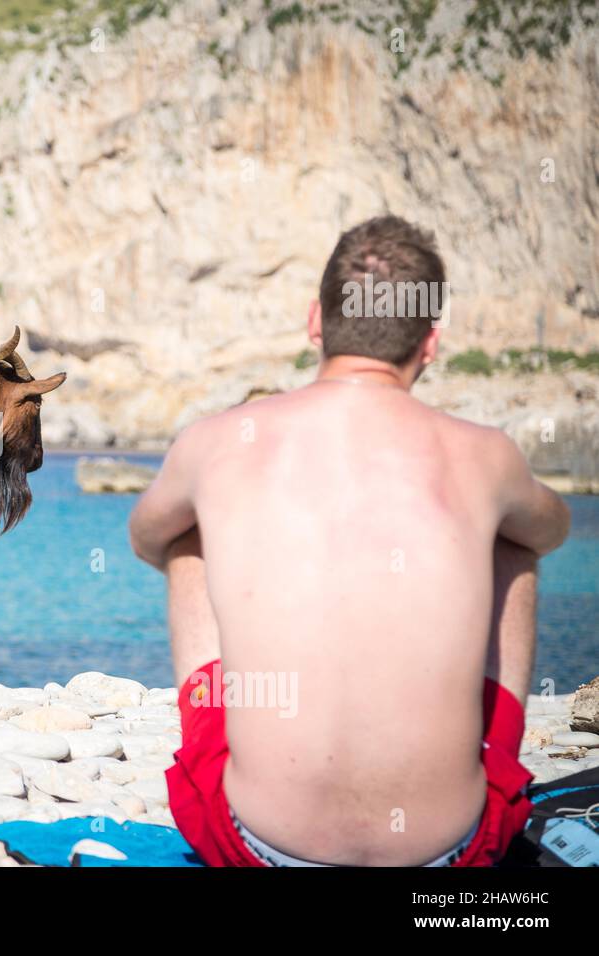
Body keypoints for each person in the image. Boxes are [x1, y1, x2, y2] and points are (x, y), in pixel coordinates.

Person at [129, 215, 570, 866]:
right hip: (454, 850)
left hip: (254, 844)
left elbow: (145, 537)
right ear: (430, 343)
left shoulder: (217, 441)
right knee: (516, 545)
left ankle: (234, 752)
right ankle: (489, 763)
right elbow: (553, 528)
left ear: (315, 321)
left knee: (185, 538)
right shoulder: (485, 454)